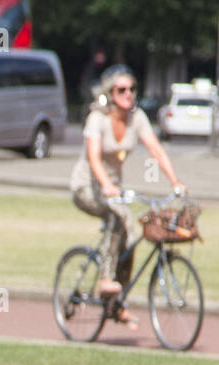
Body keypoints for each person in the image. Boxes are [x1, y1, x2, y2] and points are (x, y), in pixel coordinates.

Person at [69, 65, 186, 330]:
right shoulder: (97, 119)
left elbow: (155, 149)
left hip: (114, 189)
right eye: (121, 90)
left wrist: (175, 181)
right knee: (116, 215)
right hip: (86, 187)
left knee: (131, 236)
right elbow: (93, 158)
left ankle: (117, 303)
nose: (128, 94)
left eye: (132, 89)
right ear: (110, 93)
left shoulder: (137, 118)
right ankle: (104, 279)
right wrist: (107, 184)